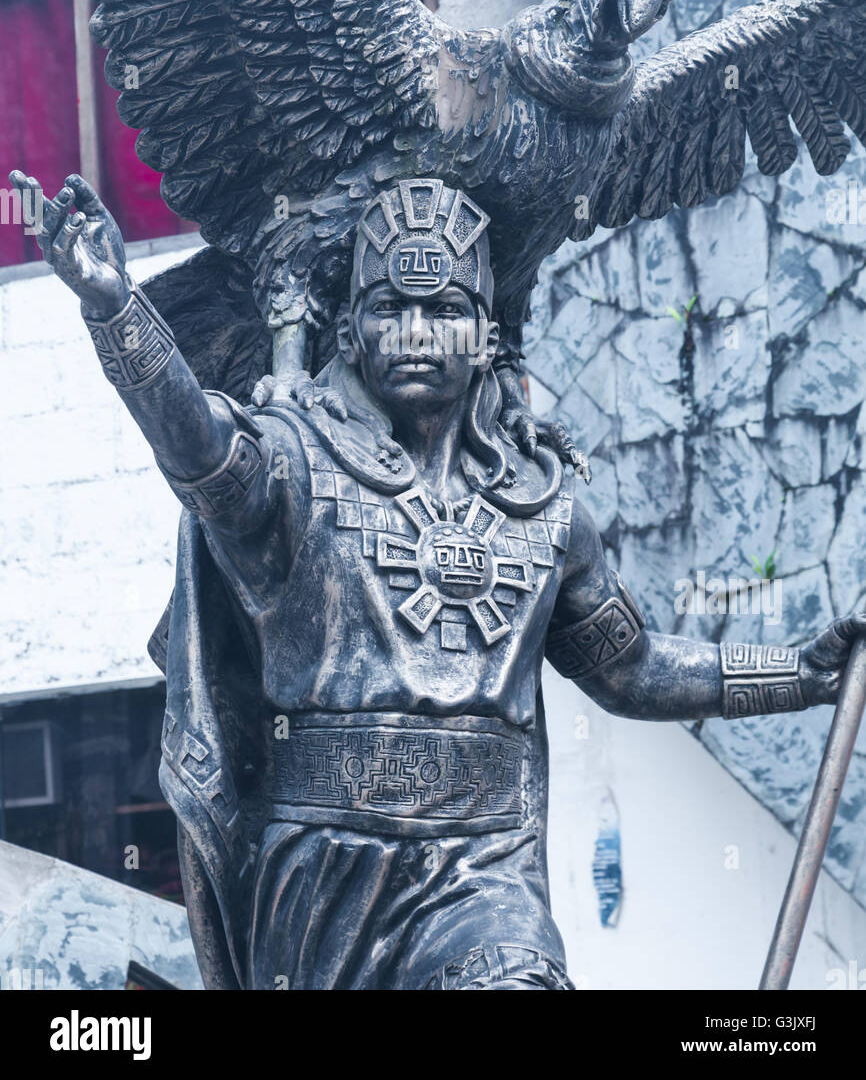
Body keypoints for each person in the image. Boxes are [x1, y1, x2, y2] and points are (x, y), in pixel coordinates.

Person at [10, 168, 865, 991]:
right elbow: (198, 450)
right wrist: (115, 307)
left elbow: (633, 669)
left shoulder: (545, 510)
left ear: (486, 335)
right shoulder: (296, 467)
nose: (419, 334)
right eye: (391, 310)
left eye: (447, 311)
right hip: (321, 879)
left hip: (487, 874)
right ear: (349, 332)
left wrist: (802, 675)